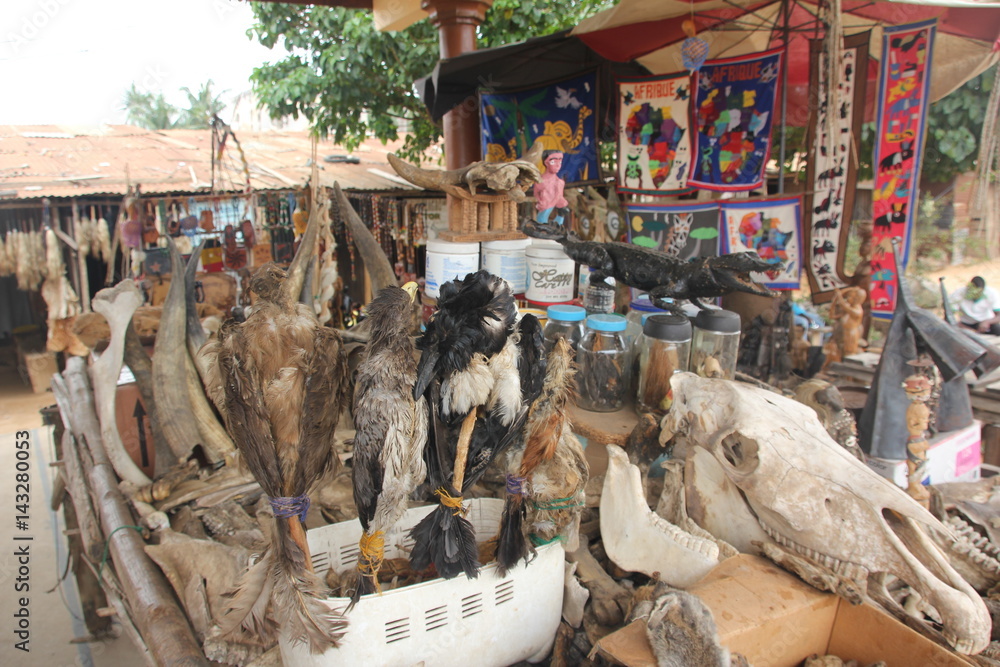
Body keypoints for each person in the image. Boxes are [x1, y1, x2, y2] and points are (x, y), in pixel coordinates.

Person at [534, 150, 568, 226]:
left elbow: (559, 197)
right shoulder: (541, 181)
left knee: (561, 213)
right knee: (542, 219)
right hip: (544, 206)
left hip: (553, 205)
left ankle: (555, 225)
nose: (558, 165)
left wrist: (559, 205)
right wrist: (540, 201)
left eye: (560, 162)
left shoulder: (560, 182)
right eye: (553, 162)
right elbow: (536, 193)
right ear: (546, 163)